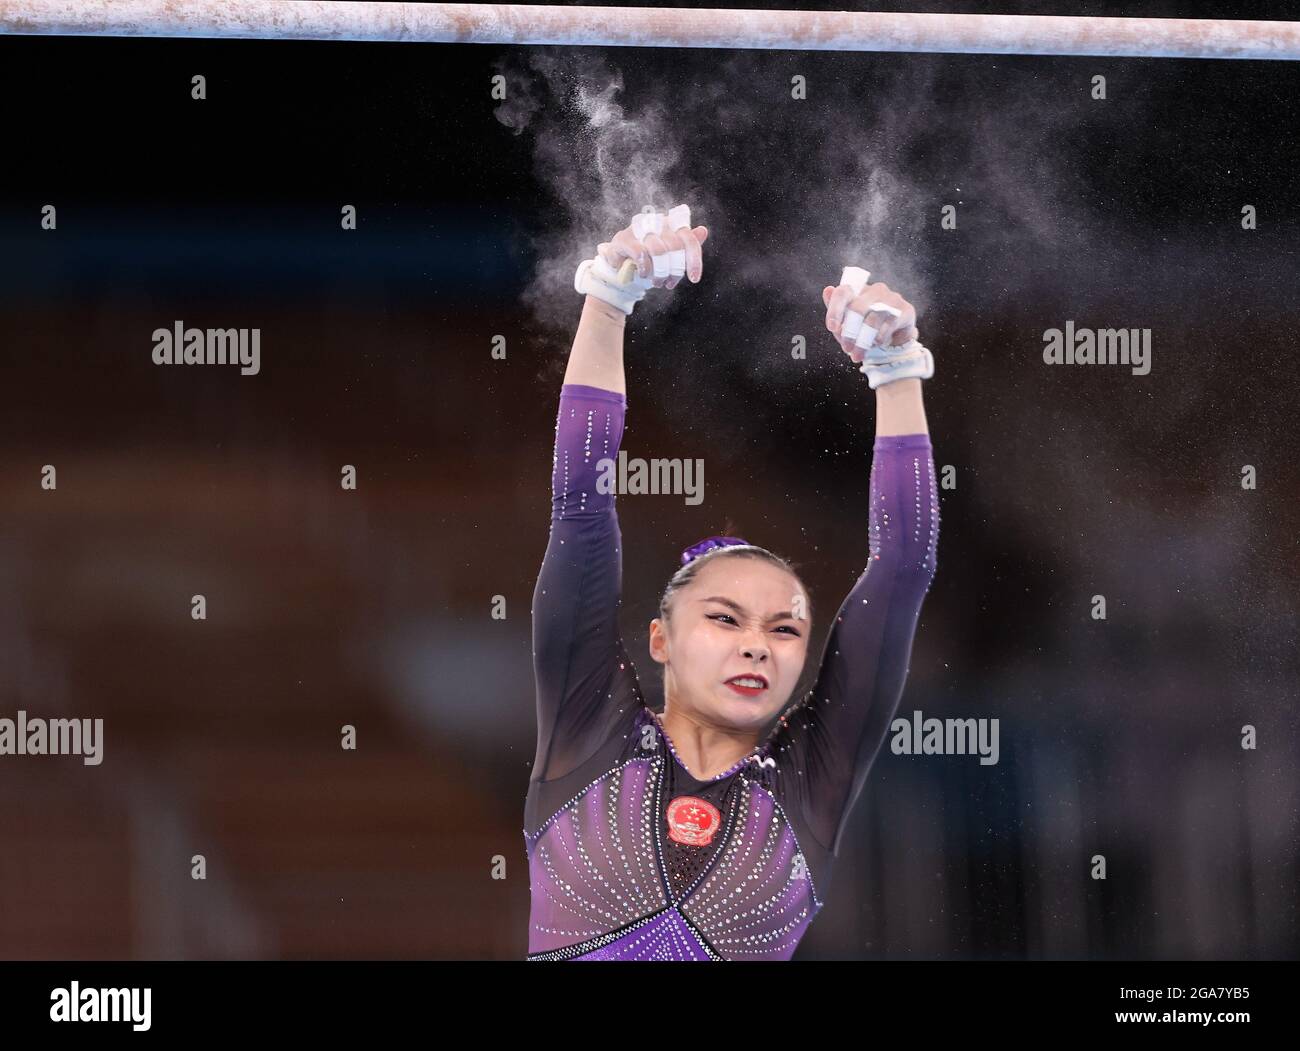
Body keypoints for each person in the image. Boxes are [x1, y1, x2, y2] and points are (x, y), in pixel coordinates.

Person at [524, 205, 939, 960]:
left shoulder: (809, 786)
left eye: (784, 629)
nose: (757, 646)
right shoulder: (589, 730)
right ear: (661, 639)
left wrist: (896, 372)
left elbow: (904, 566)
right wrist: (608, 303)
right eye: (725, 619)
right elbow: (580, 505)